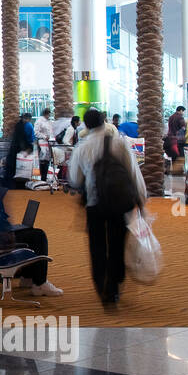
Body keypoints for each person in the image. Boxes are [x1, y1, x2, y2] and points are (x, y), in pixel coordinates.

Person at [67, 109, 147, 307]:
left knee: (97, 246)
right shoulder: (119, 143)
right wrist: (141, 198)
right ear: (105, 121)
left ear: (86, 125)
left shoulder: (82, 148)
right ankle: (114, 286)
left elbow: (75, 179)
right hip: (120, 202)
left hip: (95, 203)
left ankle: (101, 284)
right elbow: (133, 172)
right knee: (117, 243)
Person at [35, 108, 54, 180]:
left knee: (47, 160)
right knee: (43, 160)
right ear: (45, 114)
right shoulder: (39, 121)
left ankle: (44, 177)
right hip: (42, 142)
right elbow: (36, 132)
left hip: (48, 142)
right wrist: (44, 137)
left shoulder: (48, 122)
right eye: (48, 114)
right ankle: (43, 177)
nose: (49, 115)